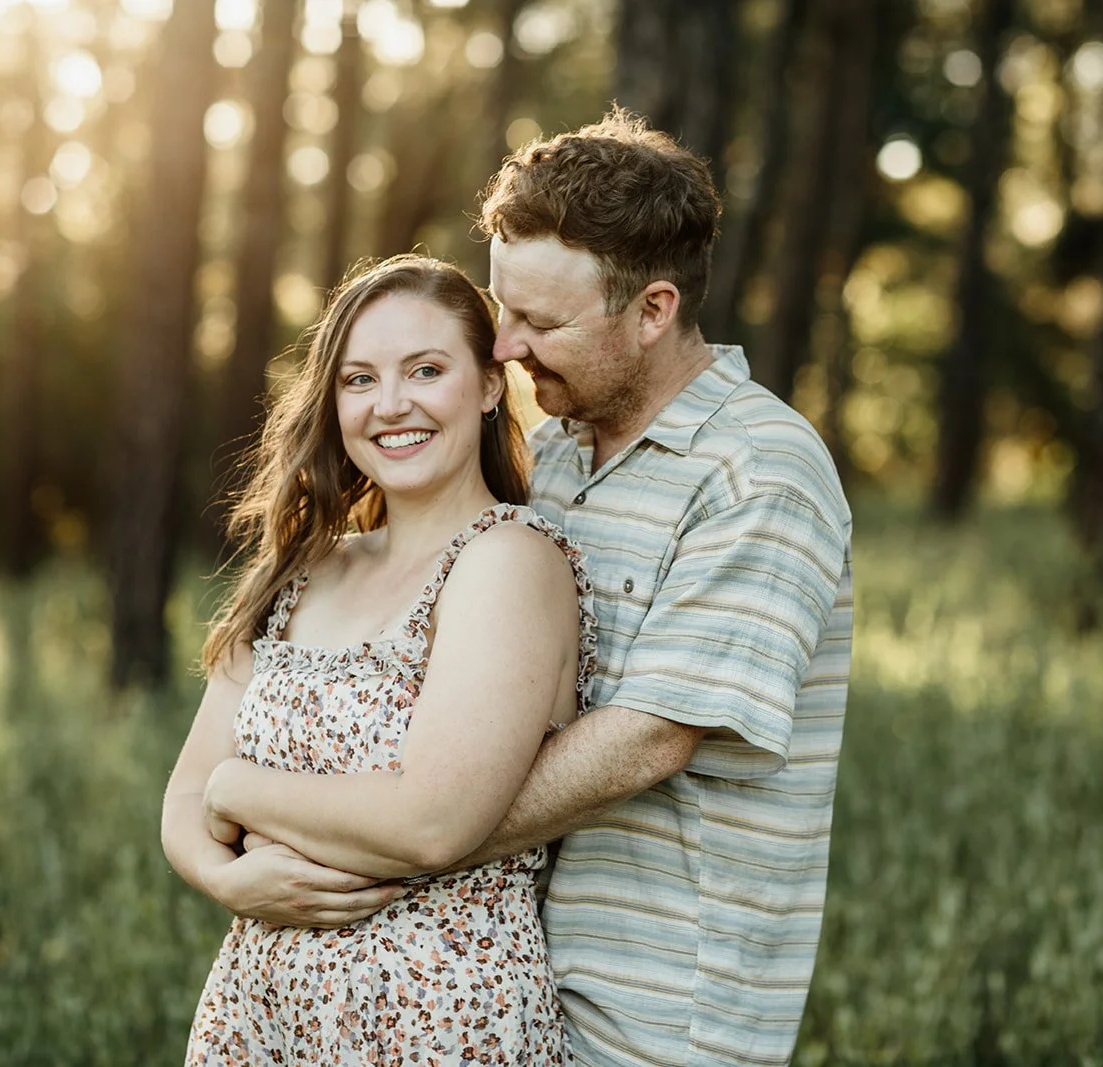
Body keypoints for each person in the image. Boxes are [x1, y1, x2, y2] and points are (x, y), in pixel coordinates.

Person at [196, 108, 854, 1066]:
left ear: (654, 309)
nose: (504, 346)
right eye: (504, 308)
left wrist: (354, 837)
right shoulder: (547, 457)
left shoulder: (757, 471)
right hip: (516, 982)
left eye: (541, 321)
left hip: (664, 1008)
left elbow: (649, 740)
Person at [161, 254, 597, 1065]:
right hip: (256, 1015)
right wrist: (228, 882)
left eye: (426, 369)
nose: (390, 405)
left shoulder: (507, 559)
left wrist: (237, 790)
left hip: (434, 1015)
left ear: (492, 383)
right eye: (359, 379)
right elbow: (182, 799)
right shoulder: (308, 565)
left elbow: (431, 824)